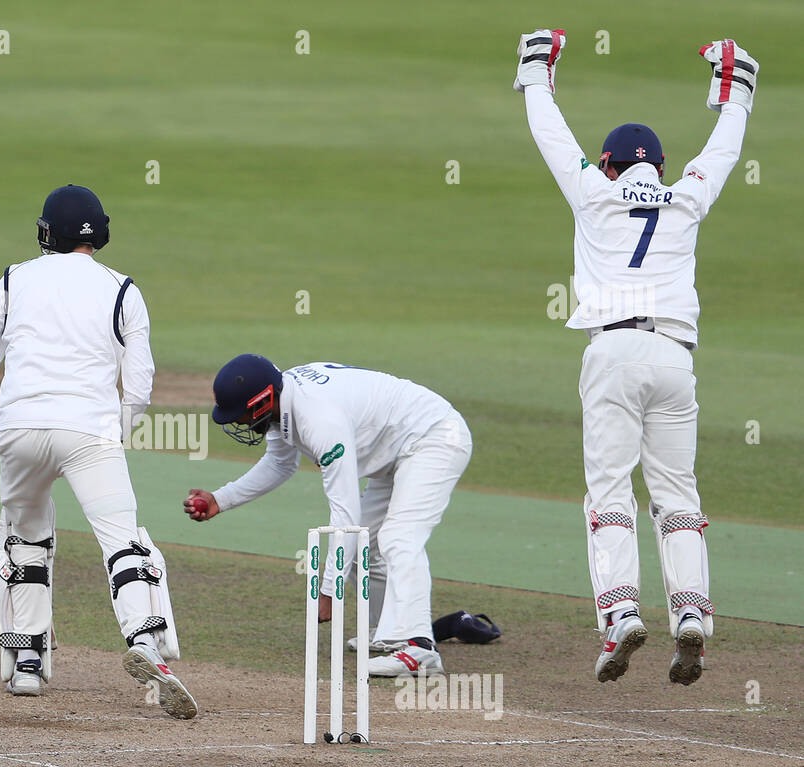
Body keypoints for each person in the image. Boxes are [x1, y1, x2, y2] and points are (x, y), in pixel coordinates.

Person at [515, 30, 757, 684]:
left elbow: (552, 138)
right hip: (676, 357)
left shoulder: (594, 191)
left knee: (609, 490)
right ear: (659, 166)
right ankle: (692, 616)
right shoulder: (686, 195)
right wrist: (735, 90)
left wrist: (537, 71)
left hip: (613, 350)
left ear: (611, 165)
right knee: (677, 494)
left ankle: (621, 613)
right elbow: (724, 151)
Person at [0, 184, 196, 719]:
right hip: (90, 431)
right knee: (121, 540)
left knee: (26, 537)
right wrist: (112, 435)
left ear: (45, 232)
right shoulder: (123, 288)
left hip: (20, 431)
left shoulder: (15, 277)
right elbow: (139, 388)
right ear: (99, 233)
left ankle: (27, 663)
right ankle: (142, 641)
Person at [184, 356, 472, 678]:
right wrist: (220, 500)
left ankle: (420, 649)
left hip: (434, 438)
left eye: (243, 415)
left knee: (399, 537)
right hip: (396, 450)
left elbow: (345, 515)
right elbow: (280, 464)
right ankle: (392, 635)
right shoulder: (285, 401)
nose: (240, 423)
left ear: (264, 400)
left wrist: (329, 590)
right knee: (370, 544)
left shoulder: (320, 421)